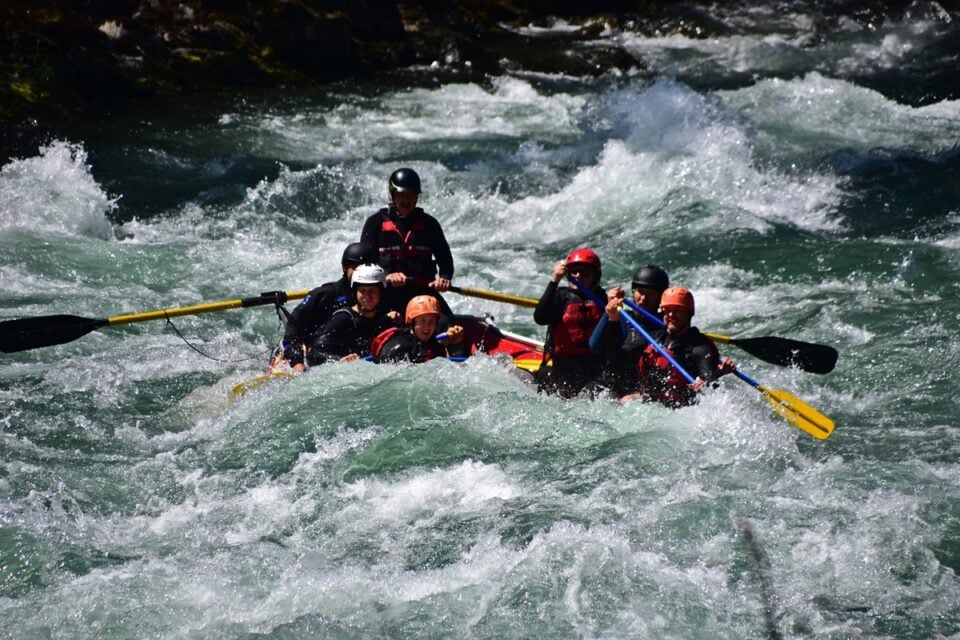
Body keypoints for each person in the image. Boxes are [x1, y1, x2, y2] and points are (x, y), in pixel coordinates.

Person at [360, 168, 455, 317]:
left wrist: (444, 278)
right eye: (401, 195)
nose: (406, 200)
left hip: (423, 295)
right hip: (386, 295)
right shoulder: (375, 223)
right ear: (392, 195)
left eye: (411, 195)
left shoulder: (430, 225)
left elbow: (446, 260)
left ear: (417, 196)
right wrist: (386, 276)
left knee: (452, 331)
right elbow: (364, 265)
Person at [622, 286, 735, 408]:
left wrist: (714, 375)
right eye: (667, 310)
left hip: (679, 407)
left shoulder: (699, 346)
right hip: (654, 400)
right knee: (625, 400)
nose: (671, 315)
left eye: (677, 310)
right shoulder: (656, 337)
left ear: (689, 313)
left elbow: (709, 381)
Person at [273, 242, 378, 370]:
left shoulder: (376, 294)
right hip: (308, 348)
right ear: (345, 268)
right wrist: (296, 360)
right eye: (356, 268)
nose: (363, 273)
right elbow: (294, 324)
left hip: (337, 349)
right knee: (300, 369)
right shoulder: (327, 293)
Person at [533, 248, 608, 398]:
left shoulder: (601, 298)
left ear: (595, 277)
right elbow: (540, 317)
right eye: (574, 272)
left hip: (593, 368)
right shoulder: (561, 297)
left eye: (584, 273)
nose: (578, 276)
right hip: (564, 367)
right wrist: (554, 281)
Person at [589, 265, 670, 396]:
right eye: (640, 292)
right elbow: (594, 346)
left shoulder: (666, 325)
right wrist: (609, 313)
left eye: (650, 294)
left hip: (642, 392)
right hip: (613, 388)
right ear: (633, 292)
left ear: (660, 297)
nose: (643, 298)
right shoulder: (621, 317)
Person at [306, 264, 399, 365]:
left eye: (372, 291)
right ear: (355, 292)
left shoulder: (384, 319)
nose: (367, 296)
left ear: (381, 293)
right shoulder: (341, 320)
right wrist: (339, 360)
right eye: (362, 291)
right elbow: (314, 355)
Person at [371, 295, 466, 363]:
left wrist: (455, 343)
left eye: (431, 321)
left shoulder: (436, 345)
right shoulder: (399, 346)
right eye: (422, 321)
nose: (427, 326)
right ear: (411, 322)